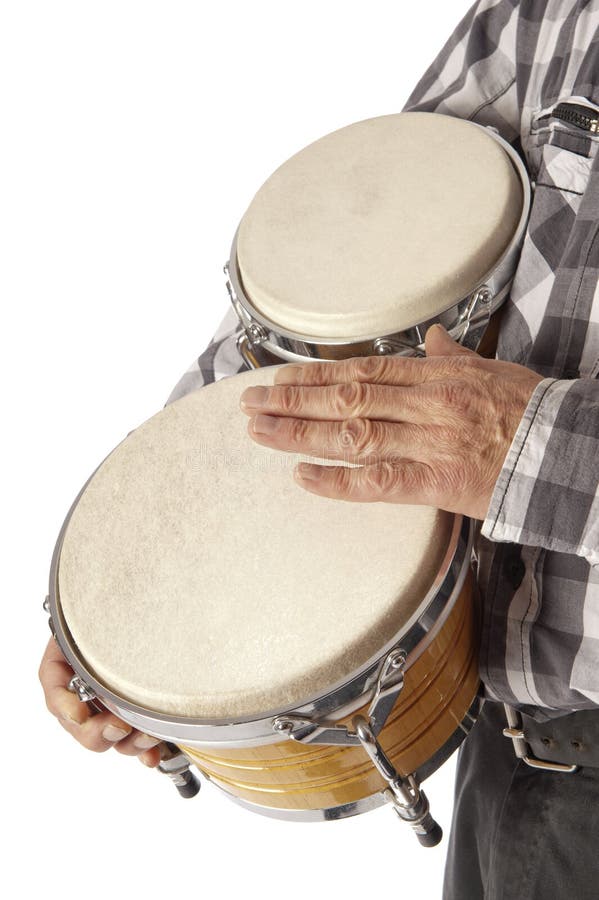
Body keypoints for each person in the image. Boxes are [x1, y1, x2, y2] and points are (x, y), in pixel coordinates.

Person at [39, 0, 599, 896]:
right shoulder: (544, 17)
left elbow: (512, 442)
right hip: (514, 771)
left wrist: (539, 449)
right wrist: (147, 579)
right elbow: (345, 270)